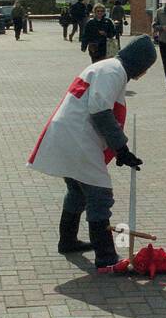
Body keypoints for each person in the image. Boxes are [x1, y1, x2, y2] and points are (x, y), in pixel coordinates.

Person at [28, 36, 156, 270]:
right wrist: (121, 148)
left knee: (77, 191)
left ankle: (67, 240)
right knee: (100, 195)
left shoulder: (105, 67)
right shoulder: (114, 71)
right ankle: (106, 256)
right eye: (146, 68)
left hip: (69, 134)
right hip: (78, 137)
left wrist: (118, 149)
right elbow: (100, 112)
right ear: (139, 63)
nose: (144, 74)